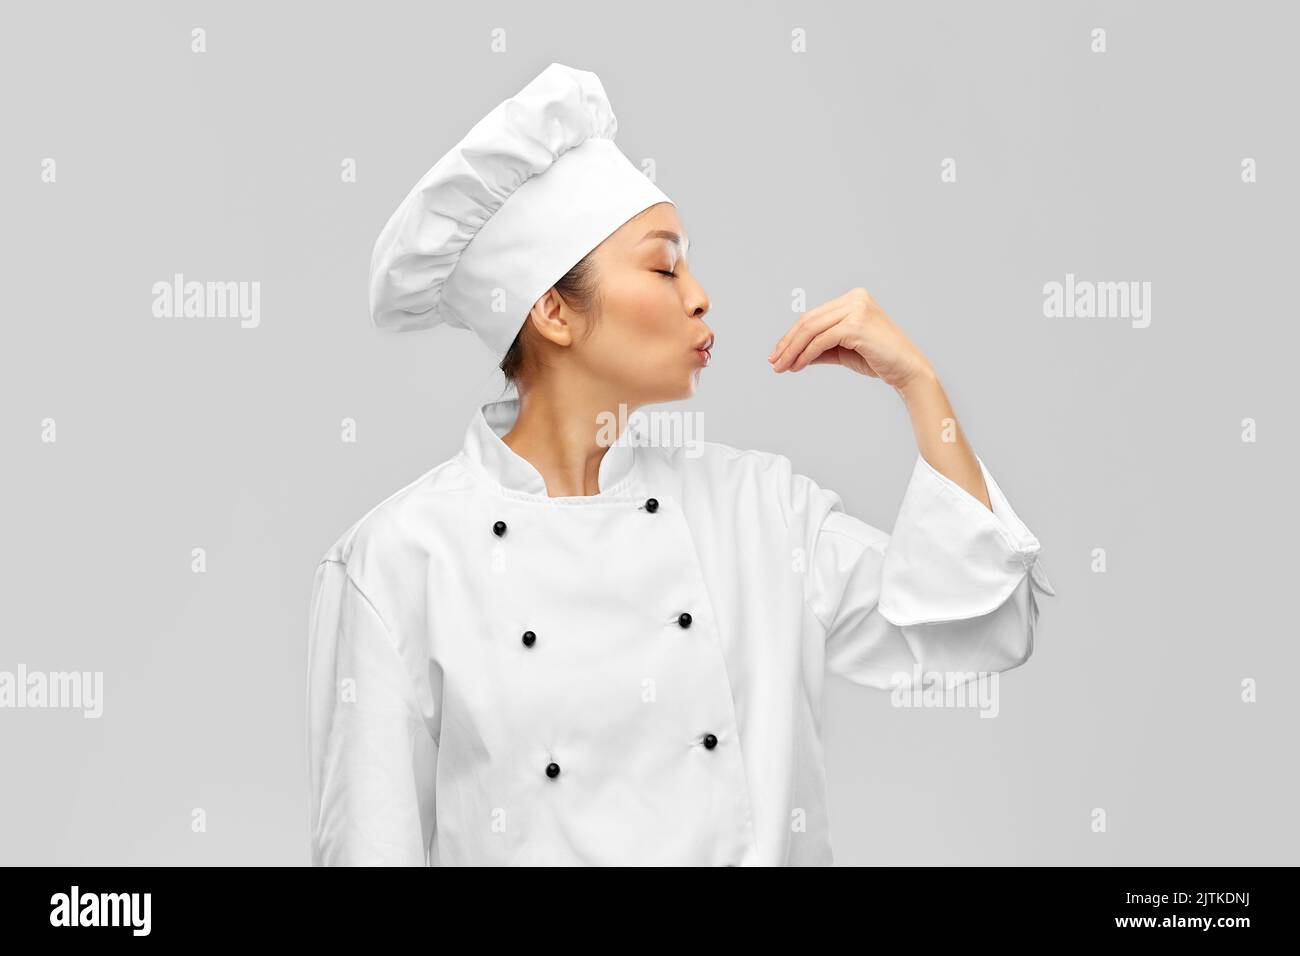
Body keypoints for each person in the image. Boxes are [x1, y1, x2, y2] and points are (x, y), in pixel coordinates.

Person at [307, 62, 1056, 866]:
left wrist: (921, 386)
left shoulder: (760, 512)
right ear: (553, 311)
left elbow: (980, 627)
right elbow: (369, 848)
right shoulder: (400, 560)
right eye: (665, 267)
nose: (700, 297)